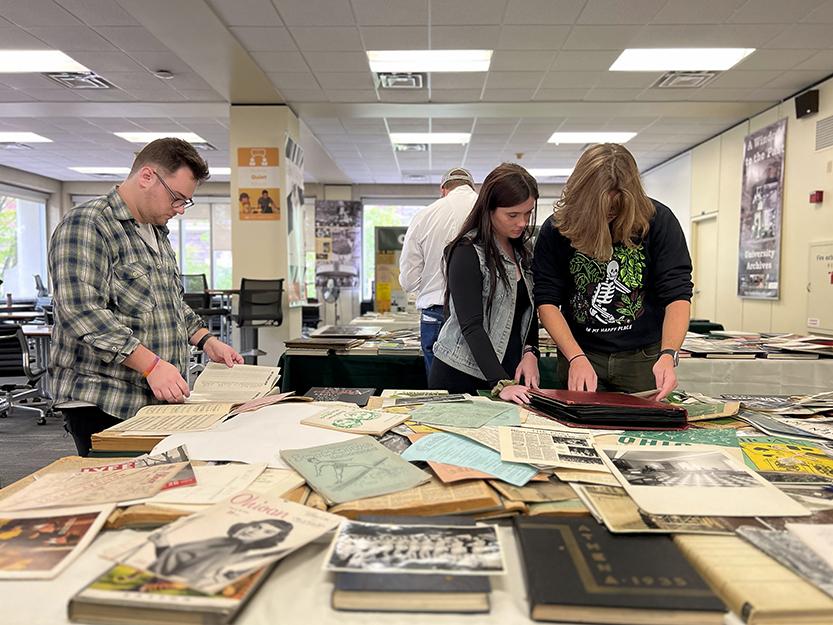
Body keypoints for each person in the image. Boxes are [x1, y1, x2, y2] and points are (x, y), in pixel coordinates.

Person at [49, 138, 243, 456]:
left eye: (186, 202)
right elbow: (82, 311)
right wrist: (151, 366)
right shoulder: (88, 224)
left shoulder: (155, 232)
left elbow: (170, 303)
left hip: (151, 400)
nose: (180, 210)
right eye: (177, 198)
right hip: (105, 400)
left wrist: (207, 340)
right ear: (147, 177)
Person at [532, 143, 693, 400]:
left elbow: (677, 295)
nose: (610, 216)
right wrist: (575, 356)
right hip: (581, 354)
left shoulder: (659, 221)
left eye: (617, 209)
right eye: (603, 209)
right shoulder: (557, 229)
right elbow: (547, 300)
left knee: (642, 429)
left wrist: (668, 353)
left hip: (644, 357)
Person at [429, 163, 540, 405]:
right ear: (489, 210)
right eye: (512, 215)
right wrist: (500, 383)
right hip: (463, 374)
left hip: (507, 375)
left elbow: (529, 309)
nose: (522, 222)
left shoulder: (524, 251)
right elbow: (471, 326)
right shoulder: (467, 251)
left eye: (528, 213)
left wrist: (531, 351)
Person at [399, 167, 478, 377]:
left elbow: (409, 281)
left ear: (443, 189)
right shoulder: (487, 210)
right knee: (479, 388)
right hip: (480, 312)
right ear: (472, 186)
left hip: (436, 311)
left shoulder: (423, 216)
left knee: (440, 392)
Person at [147, 519, 293, 589]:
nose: (252, 531)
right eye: (257, 526)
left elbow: (179, 577)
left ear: (270, 539)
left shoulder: (230, 551)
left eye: (267, 532)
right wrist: (162, 546)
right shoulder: (226, 541)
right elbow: (179, 560)